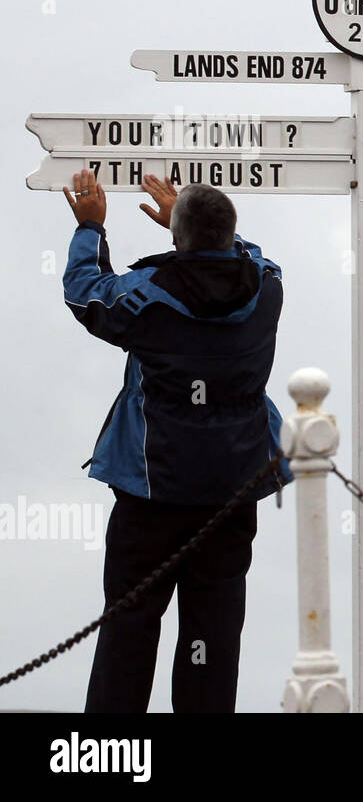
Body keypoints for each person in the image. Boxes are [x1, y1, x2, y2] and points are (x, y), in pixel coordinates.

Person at [63, 169, 289, 713]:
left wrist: (91, 227)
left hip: (151, 488)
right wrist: (195, 231)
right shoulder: (267, 290)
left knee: (130, 625)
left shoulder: (146, 300)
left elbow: (84, 293)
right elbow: (253, 255)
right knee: (211, 636)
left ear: (178, 237)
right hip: (232, 491)